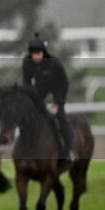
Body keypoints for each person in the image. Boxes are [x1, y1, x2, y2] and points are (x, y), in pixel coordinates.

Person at [22, 32, 75, 162]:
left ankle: (70, 149)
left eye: (39, 53)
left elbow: (64, 84)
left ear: (43, 52)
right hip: (41, 88)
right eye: (34, 53)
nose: (36, 56)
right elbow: (27, 84)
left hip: (57, 87)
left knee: (60, 117)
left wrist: (57, 104)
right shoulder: (27, 63)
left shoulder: (54, 63)